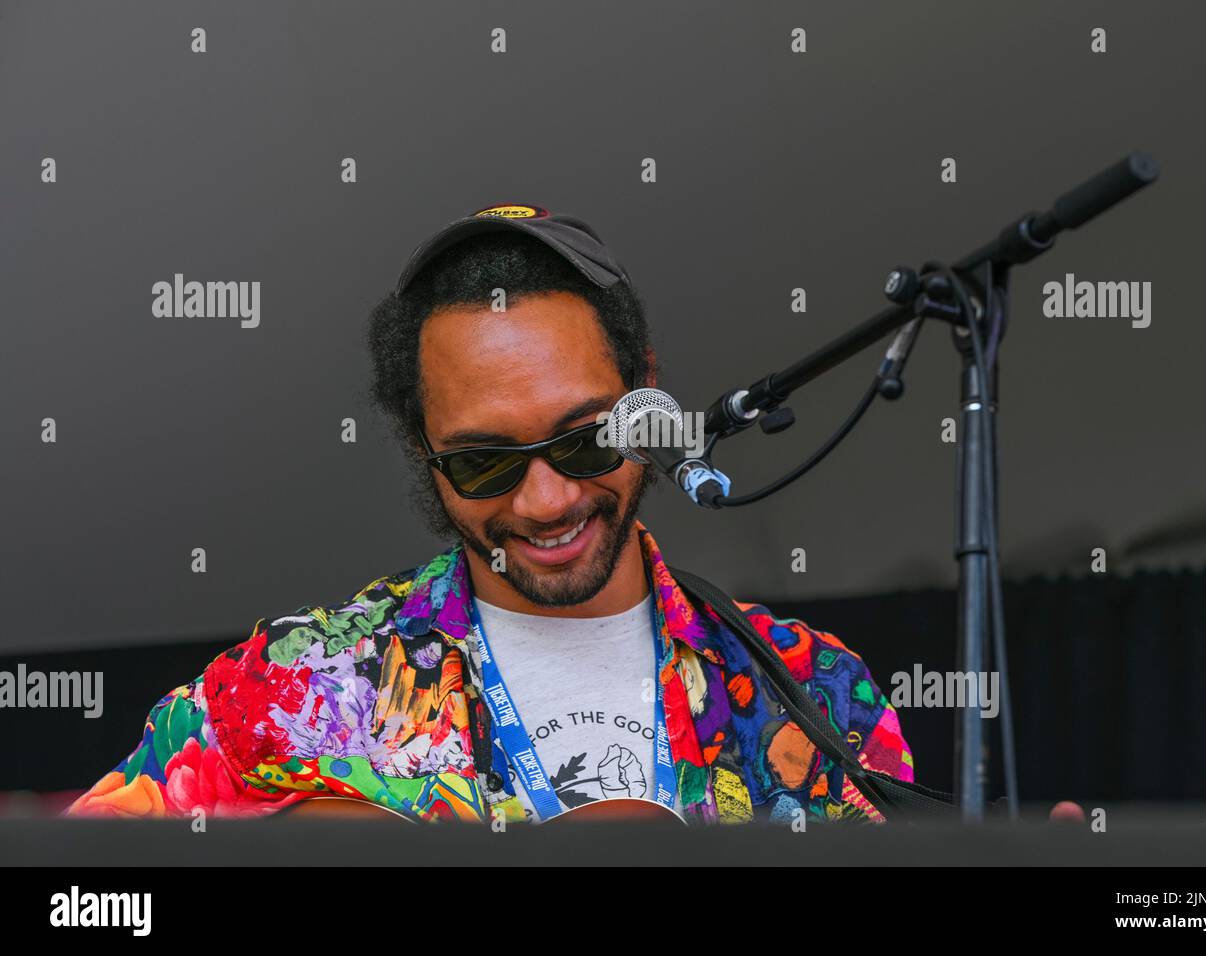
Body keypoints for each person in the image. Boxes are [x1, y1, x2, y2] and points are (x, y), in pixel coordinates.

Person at [66, 203, 914, 826]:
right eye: (483, 462)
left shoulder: (815, 695)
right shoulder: (290, 687)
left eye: (585, 440)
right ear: (421, 448)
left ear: (644, 394)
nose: (546, 500)